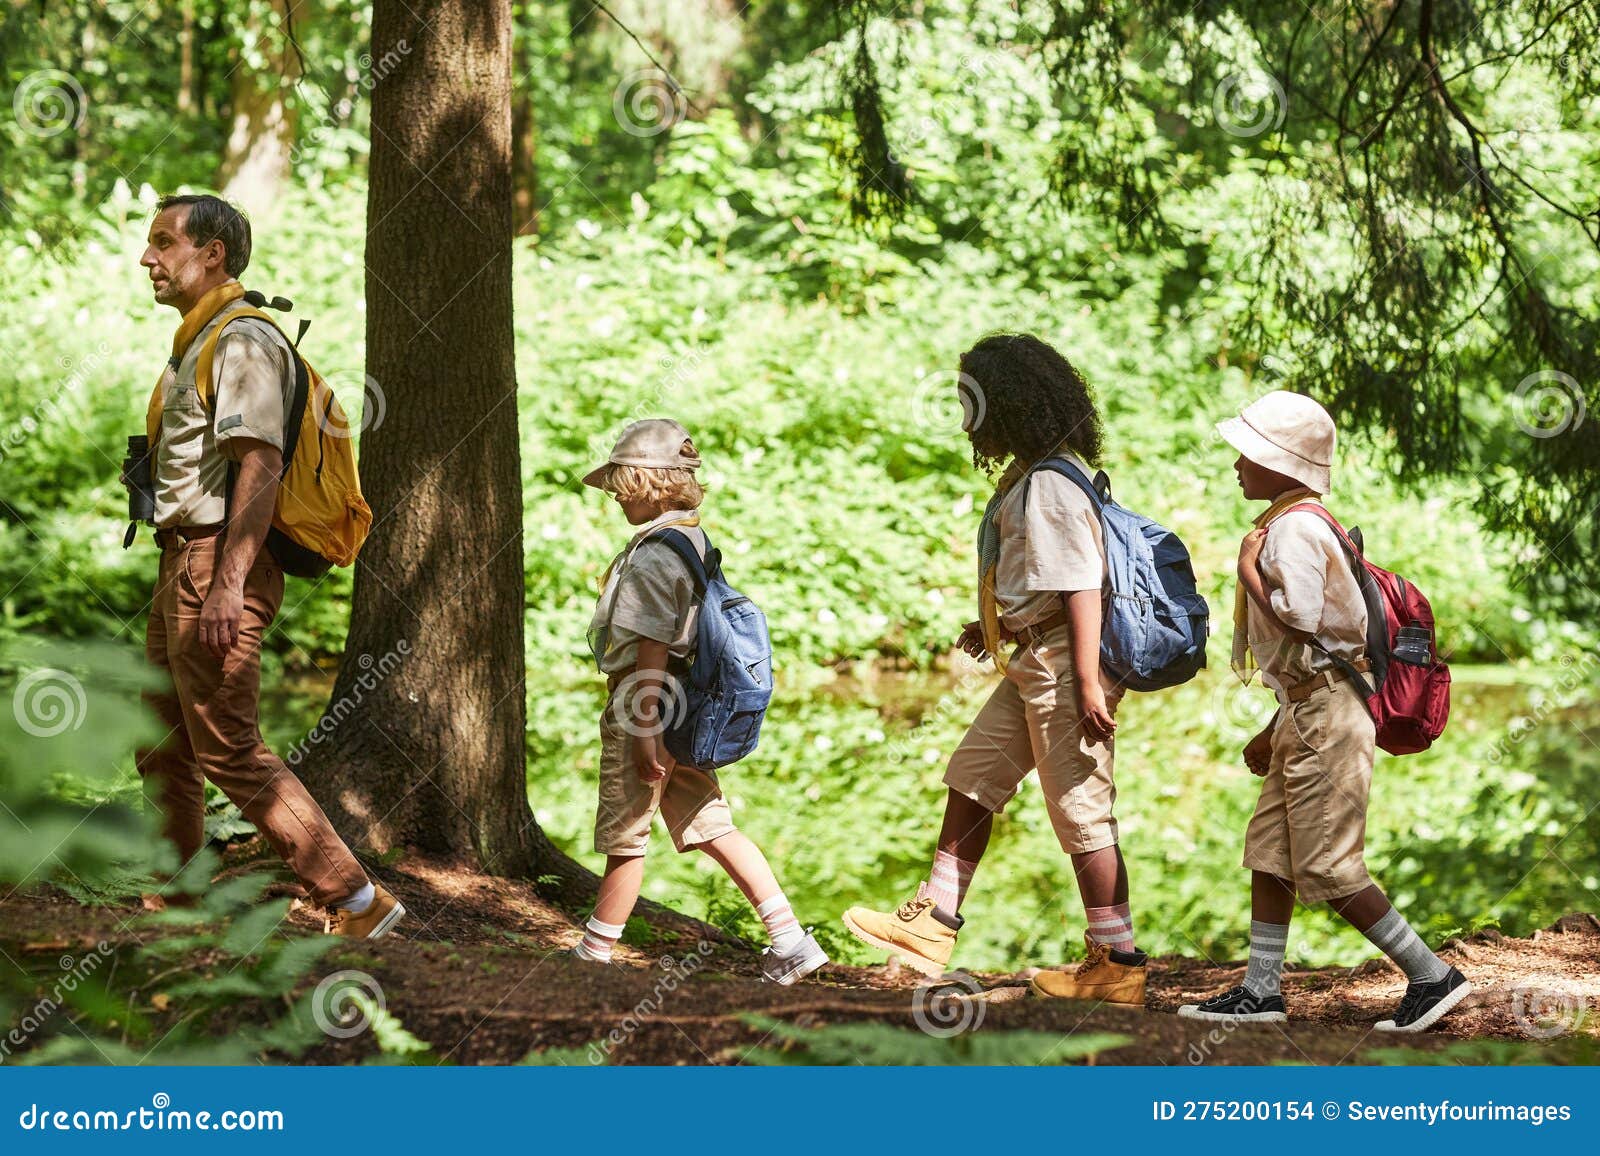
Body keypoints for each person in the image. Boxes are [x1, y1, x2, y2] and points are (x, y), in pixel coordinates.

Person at [841, 334, 1148, 1008]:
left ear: (1007, 403)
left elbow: (1080, 588)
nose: (964, 416)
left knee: (1082, 808)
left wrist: (1091, 681)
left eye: (971, 401)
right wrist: (995, 627)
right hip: (1037, 656)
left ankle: (1117, 963)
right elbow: (1043, 582)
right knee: (974, 774)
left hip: (1068, 662)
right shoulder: (1039, 472)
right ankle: (934, 921)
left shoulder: (1048, 483)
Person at [131, 193, 402, 938]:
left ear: (211, 253)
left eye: (162, 243)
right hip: (185, 560)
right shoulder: (199, 337)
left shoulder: (243, 339)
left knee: (227, 744)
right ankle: (180, 896)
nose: (147, 259)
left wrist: (227, 584)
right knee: (161, 739)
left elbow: (261, 465)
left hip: (218, 564)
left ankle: (358, 901)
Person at [1178, 390, 1470, 1032]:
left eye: (1247, 454)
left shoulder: (1294, 529)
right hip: (1309, 709)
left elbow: (1302, 618)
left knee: (1328, 865)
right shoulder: (1296, 521)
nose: (1236, 464)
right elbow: (1318, 652)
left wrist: (1248, 569)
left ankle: (1432, 975)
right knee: (1271, 852)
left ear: (1282, 464)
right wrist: (1274, 726)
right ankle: (1261, 990)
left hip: (1329, 717)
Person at [577, 418, 827, 984]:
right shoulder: (691, 537)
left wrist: (643, 735)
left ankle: (592, 958)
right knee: (711, 825)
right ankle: (790, 939)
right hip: (686, 709)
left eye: (621, 483)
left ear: (650, 482)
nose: (615, 495)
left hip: (645, 709)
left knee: (626, 837)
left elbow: (651, 650)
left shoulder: (651, 557)